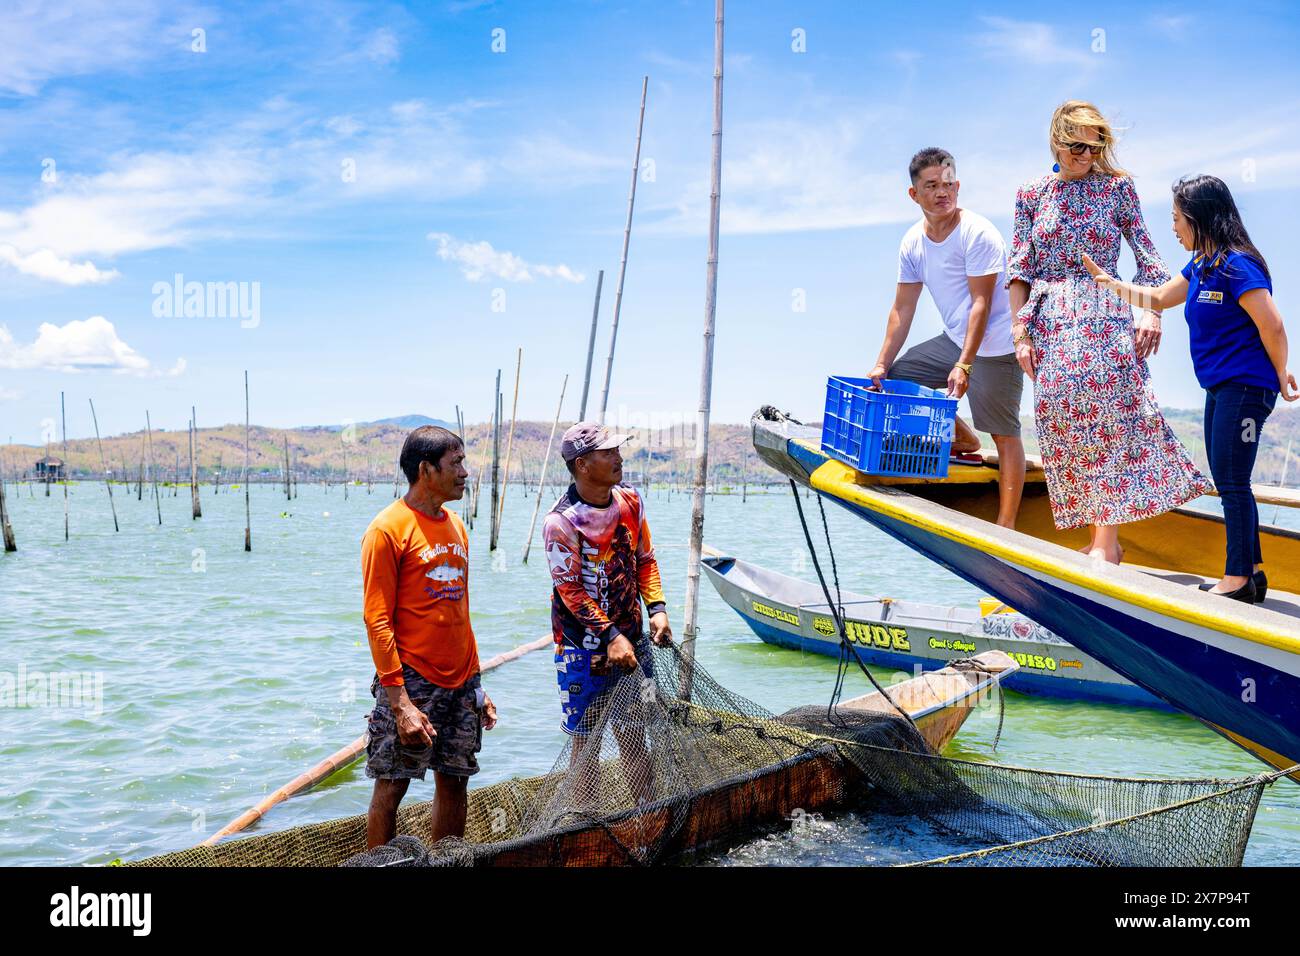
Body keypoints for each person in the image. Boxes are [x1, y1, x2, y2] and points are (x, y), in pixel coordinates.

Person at [1007, 100, 1210, 562]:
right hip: (1051, 318)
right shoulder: (1030, 194)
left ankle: (1106, 542)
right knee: (1062, 421)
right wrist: (1021, 334)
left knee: (1108, 420)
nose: (1086, 156)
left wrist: (1151, 312)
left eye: (1095, 147)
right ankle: (1102, 540)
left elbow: (1148, 256)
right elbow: (1019, 269)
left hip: (1105, 310)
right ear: (1056, 141)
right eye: (1077, 146)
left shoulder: (1118, 189)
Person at [1084, 174, 1298, 601]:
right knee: (1228, 477)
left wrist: (1281, 373)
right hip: (1221, 387)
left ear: (1199, 218)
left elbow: (1272, 324)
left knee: (1233, 481)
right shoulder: (1202, 265)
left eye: (1177, 217)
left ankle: (1235, 579)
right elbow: (1160, 298)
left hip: (1247, 388)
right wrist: (1110, 284)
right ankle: (1252, 574)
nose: (1173, 226)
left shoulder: (1238, 265)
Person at [869, 147, 1026, 528]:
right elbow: (902, 309)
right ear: (914, 195)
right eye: (932, 185)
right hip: (956, 338)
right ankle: (965, 440)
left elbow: (981, 305)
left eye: (949, 183)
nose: (943, 192)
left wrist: (964, 365)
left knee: (1003, 433)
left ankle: (1006, 528)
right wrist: (880, 363)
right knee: (899, 379)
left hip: (996, 343)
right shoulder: (912, 243)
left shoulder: (978, 233)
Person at [360, 425, 497, 848]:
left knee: (455, 781)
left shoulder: (456, 525)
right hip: (412, 680)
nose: (465, 473)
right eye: (455, 464)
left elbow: (458, 611)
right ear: (426, 469)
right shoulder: (388, 529)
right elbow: (376, 620)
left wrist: (476, 683)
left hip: (461, 682)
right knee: (392, 784)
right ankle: (378, 862)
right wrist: (399, 702)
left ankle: (445, 861)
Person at [542, 422, 672, 802]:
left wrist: (657, 609)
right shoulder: (561, 522)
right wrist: (610, 636)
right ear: (582, 464)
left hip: (632, 643)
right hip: (582, 649)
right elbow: (570, 592)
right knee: (586, 745)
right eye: (608, 452)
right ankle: (586, 823)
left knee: (634, 737)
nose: (619, 458)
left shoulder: (630, 501)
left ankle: (647, 817)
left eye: (618, 450)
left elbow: (645, 559)